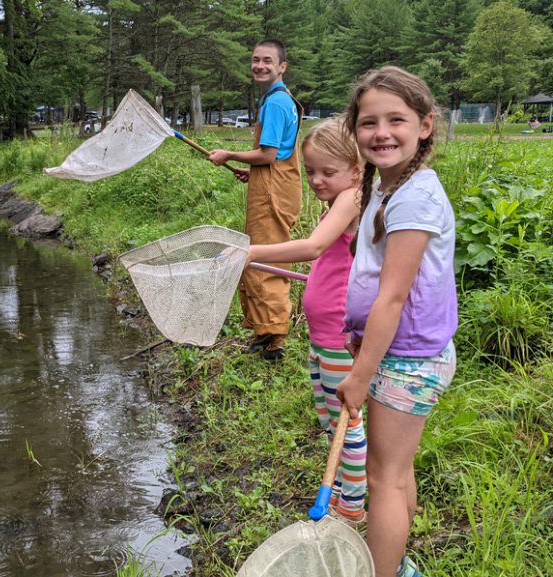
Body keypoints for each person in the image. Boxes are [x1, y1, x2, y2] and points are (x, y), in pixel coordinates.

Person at [337, 66, 458, 577]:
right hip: (400, 353)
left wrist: (359, 377)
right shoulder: (389, 188)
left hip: (408, 360)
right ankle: (399, 564)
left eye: (396, 120)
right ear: (355, 130)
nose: (381, 132)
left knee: (382, 480)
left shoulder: (416, 197)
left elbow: (392, 298)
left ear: (425, 125)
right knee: (397, 469)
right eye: (368, 123)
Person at [247, 116, 367, 524]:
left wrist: (252, 253)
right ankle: (340, 491)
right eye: (310, 170)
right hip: (321, 338)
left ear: (357, 169)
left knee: (347, 427)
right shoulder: (336, 201)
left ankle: (351, 506)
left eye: (327, 172)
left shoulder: (353, 197)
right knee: (330, 419)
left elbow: (315, 248)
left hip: (338, 337)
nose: (316, 180)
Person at [207, 39, 303, 361]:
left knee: (264, 261)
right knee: (265, 256)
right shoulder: (279, 99)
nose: (259, 66)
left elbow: (268, 154)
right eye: (255, 60)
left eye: (267, 61)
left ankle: (275, 340)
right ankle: (266, 331)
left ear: (282, 67)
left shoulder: (275, 103)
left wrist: (229, 154)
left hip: (274, 192)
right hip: (275, 183)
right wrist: (254, 173)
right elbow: (277, 157)